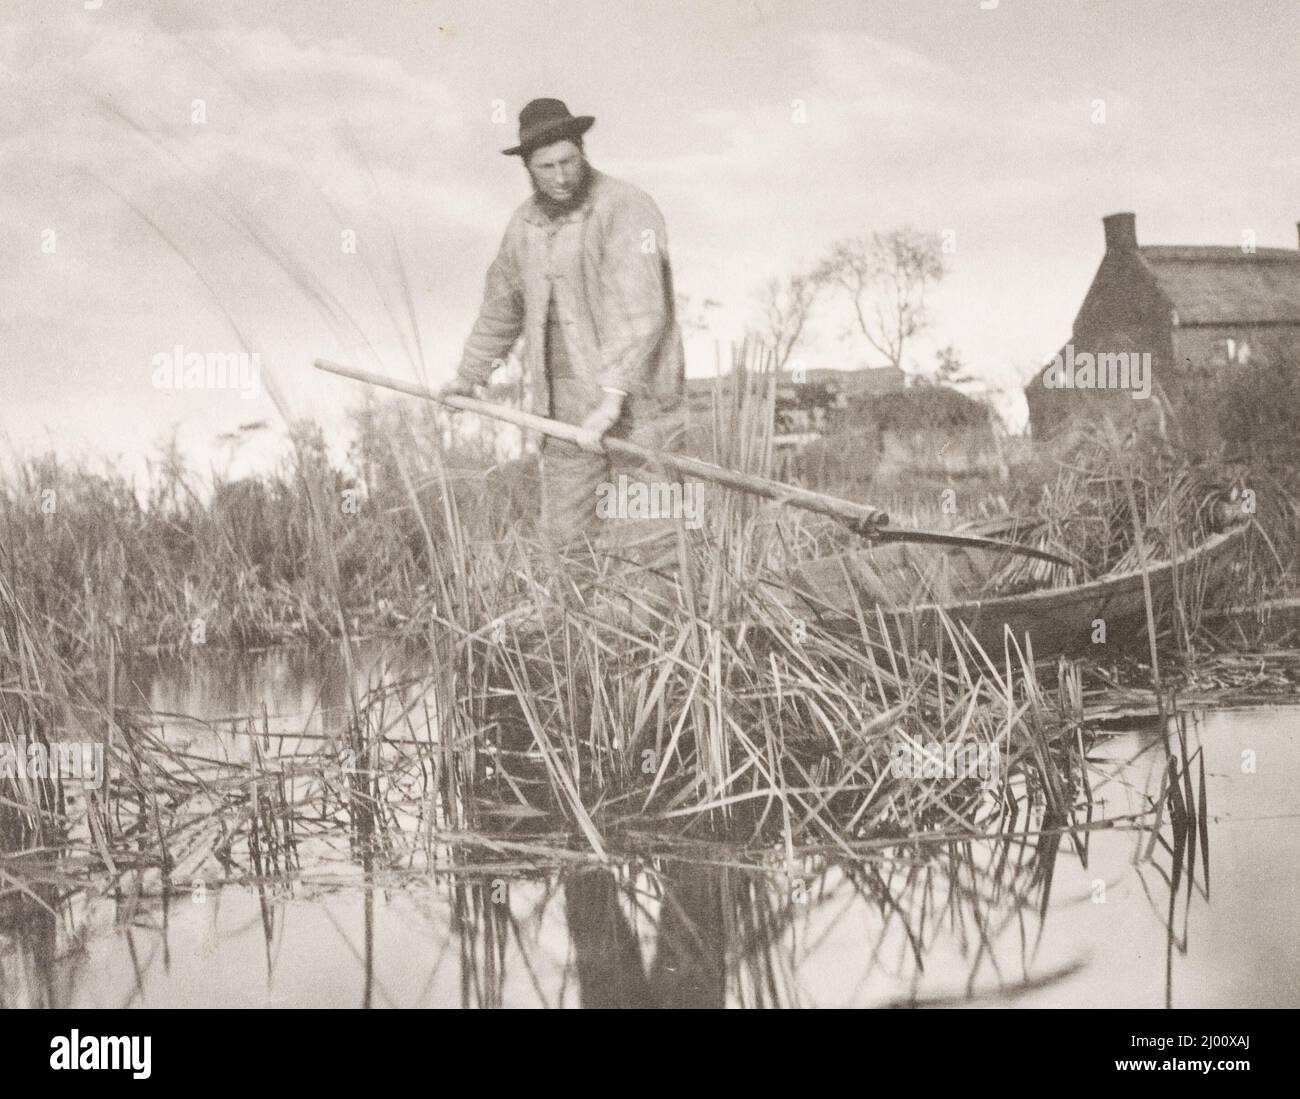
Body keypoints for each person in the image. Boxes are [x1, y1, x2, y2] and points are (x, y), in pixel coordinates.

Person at [439, 98, 687, 560]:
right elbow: (501, 309)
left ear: (583, 151)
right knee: (566, 544)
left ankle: (667, 628)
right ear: (529, 169)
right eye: (546, 167)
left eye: (569, 161)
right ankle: (572, 628)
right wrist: (470, 375)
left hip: (640, 407)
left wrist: (611, 399)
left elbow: (638, 309)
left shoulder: (626, 207)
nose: (561, 176)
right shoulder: (524, 225)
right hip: (562, 412)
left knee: (655, 542)